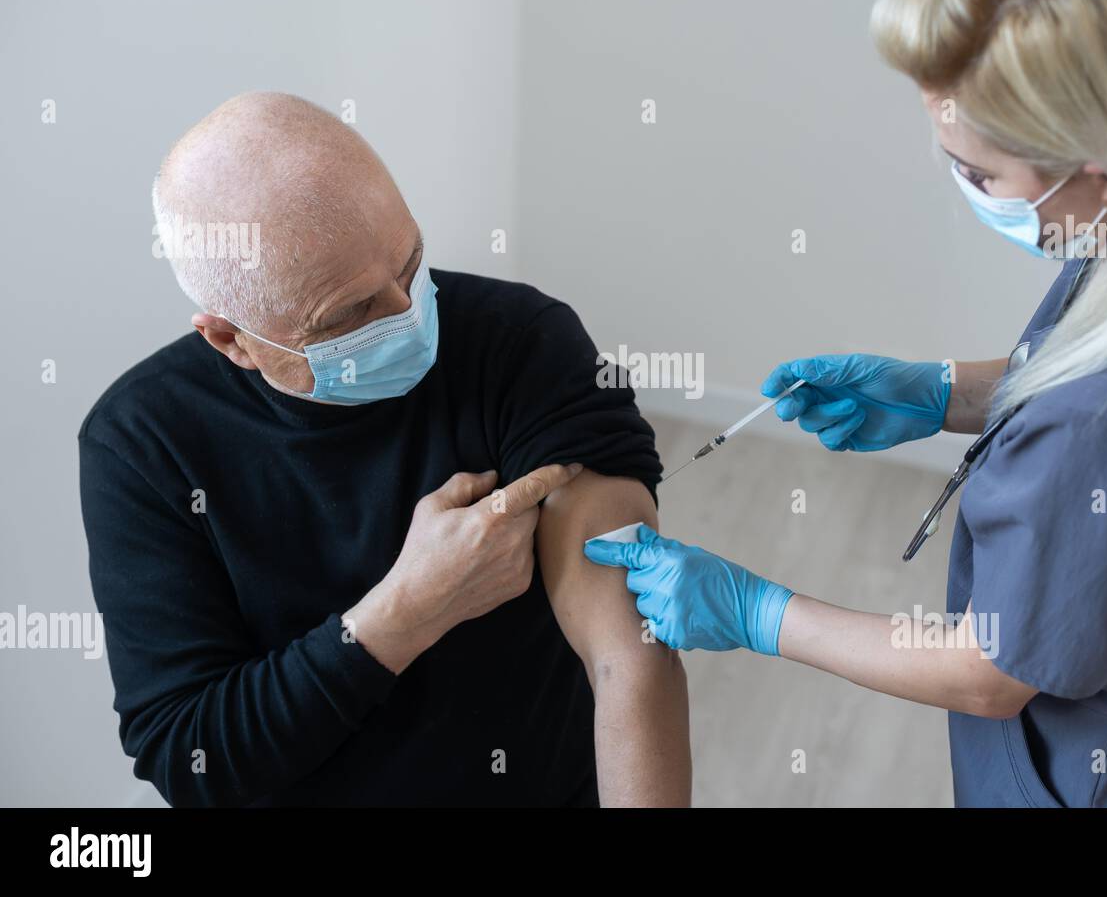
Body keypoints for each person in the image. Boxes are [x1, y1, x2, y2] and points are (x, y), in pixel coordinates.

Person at [586, 0, 1107, 806]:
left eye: (979, 172)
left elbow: (989, 672)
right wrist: (940, 392)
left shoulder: (1106, 439)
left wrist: (753, 612)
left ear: (1106, 172)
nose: (961, 184)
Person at [79, 92, 690, 806]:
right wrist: (408, 610)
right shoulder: (142, 445)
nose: (409, 318)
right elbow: (193, 756)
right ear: (231, 338)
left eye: (410, 266)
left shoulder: (523, 343)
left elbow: (629, 657)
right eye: (353, 313)